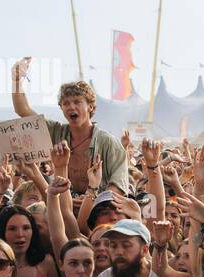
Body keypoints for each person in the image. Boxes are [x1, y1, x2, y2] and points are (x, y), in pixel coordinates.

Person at [10, 58, 129, 193]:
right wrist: (17, 81)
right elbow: (23, 110)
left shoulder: (107, 143)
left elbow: (119, 185)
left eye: (77, 102)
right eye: (66, 103)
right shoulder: (56, 132)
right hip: (63, 207)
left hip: (99, 209)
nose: (71, 107)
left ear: (90, 106)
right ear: (61, 108)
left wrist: (93, 202)